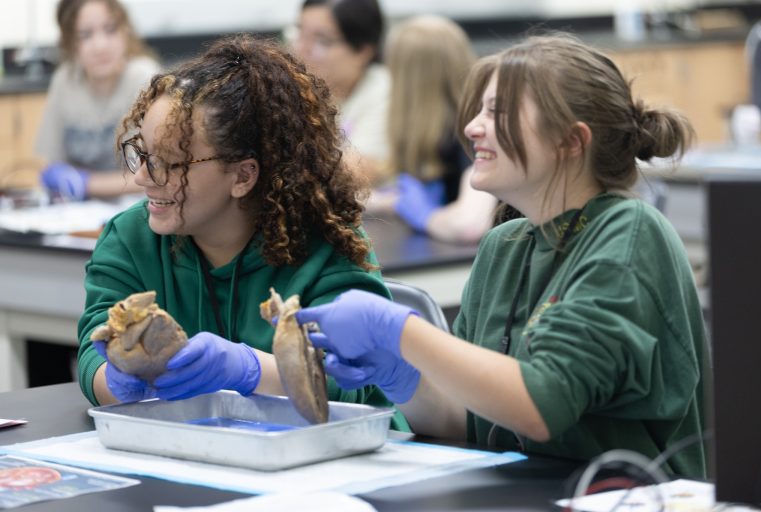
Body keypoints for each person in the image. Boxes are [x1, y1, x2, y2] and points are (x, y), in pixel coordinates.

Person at [295, 33, 709, 478]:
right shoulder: (504, 245)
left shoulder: (629, 234)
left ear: (571, 141)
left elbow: (541, 404)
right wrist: (405, 381)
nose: (473, 127)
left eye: (498, 113)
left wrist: (399, 330)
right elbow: (468, 424)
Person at [76, 34, 406, 430]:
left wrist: (248, 370)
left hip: (338, 458)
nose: (143, 177)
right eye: (142, 155)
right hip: (202, 458)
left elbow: (352, 382)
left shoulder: (326, 243)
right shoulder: (131, 238)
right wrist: (118, 379)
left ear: (243, 175)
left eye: (169, 163)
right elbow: (92, 351)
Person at [367, 15, 497, 243]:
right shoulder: (431, 130)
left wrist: (426, 216)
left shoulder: (470, 132)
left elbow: (470, 224)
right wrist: (390, 202)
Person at [36, 0, 160, 201]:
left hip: (135, 211)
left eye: (110, 30)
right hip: (77, 215)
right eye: (85, 35)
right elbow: (53, 163)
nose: (100, 46)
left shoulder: (145, 79)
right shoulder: (64, 80)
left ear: (125, 32)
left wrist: (87, 183)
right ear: (70, 43)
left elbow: (156, 174)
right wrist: (55, 175)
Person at [289, 0, 391, 186]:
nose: (302, 50)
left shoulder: (385, 92)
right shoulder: (297, 89)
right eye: (299, 34)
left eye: (321, 41)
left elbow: (352, 175)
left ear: (363, 51)